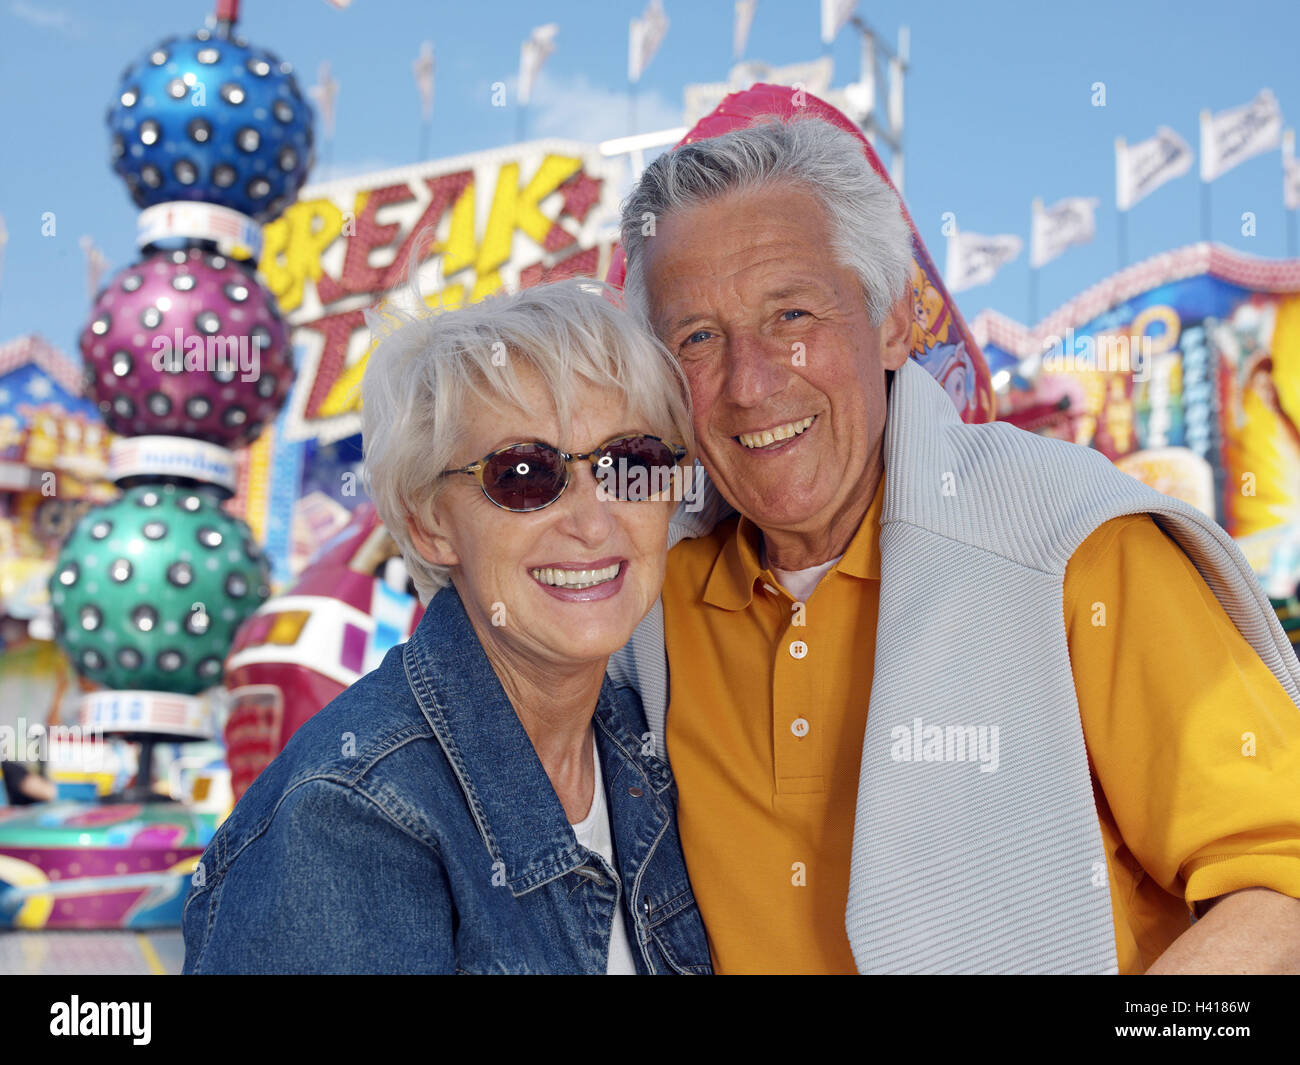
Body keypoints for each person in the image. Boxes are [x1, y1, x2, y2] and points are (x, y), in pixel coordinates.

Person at [610, 113, 1300, 975]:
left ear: (894, 320)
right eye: (698, 339)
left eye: (792, 311)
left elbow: (1282, 892)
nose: (750, 383)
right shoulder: (641, 597)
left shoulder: (1072, 544)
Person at [183, 279, 711, 974]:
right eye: (524, 473)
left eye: (631, 464)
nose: (592, 521)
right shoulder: (348, 821)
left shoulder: (650, 747)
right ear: (429, 522)